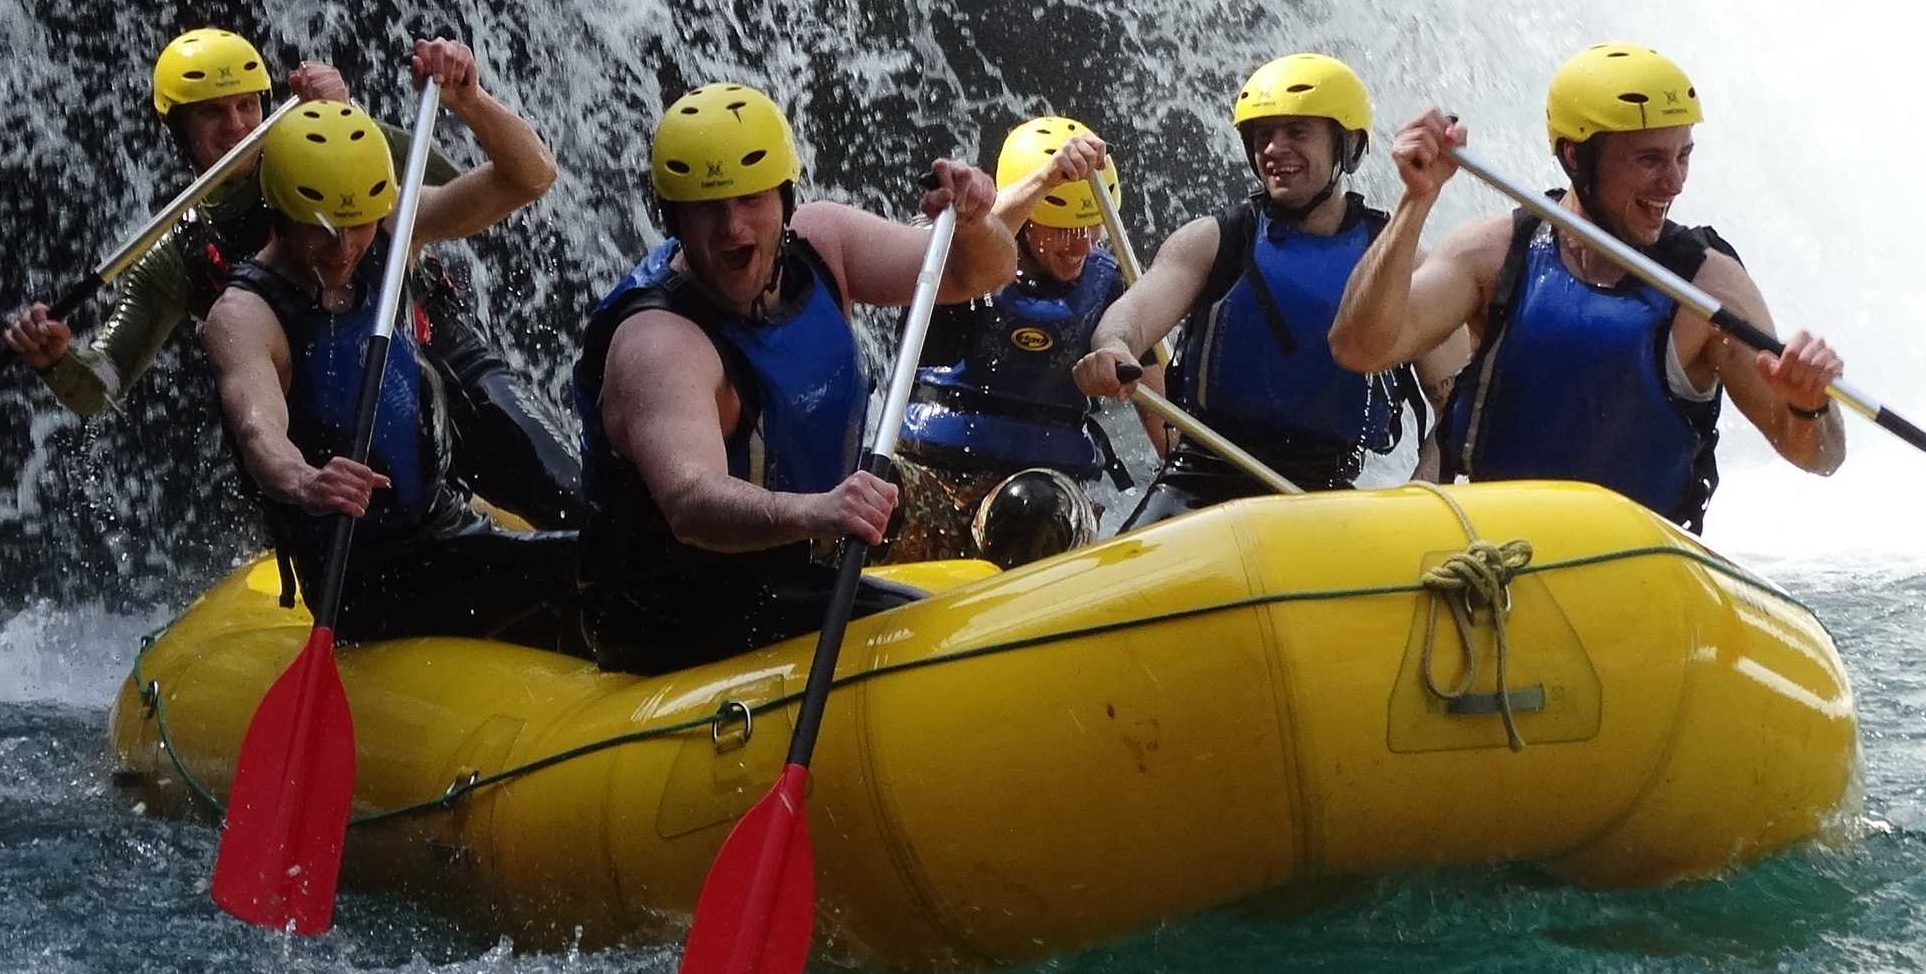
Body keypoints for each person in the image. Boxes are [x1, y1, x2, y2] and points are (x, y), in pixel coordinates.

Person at [4, 25, 581, 525]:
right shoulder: (176, 250)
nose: (235, 126)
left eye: (247, 106)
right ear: (177, 128)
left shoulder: (340, 147)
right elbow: (101, 383)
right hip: (335, 429)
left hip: (443, 366)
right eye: (211, 112)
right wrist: (58, 359)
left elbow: (467, 191)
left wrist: (354, 119)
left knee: (581, 504)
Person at [574, 82, 1016, 674]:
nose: (732, 228)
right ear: (673, 219)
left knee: (1022, 520)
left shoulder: (823, 241)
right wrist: (818, 512)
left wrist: (972, 224)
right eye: (707, 208)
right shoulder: (659, 342)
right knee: (931, 647)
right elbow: (691, 503)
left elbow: (978, 275)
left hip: (803, 549)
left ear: (784, 200)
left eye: (749, 199)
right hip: (675, 605)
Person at [1323, 42, 1846, 534]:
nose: (1674, 181)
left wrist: (1808, 407)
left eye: (1682, 155)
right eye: (1649, 159)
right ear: (1575, 157)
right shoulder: (1493, 254)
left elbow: (1819, 456)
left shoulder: (1710, 288)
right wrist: (1418, 201)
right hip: (1499, 555)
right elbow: (1358, 349)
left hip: (1636, 567)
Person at [196, 42, 584, 647]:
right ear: (280, 211)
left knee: (605, 548)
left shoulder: (390, 228)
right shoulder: (244, 314)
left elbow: (530, 177)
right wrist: (307, 482)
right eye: (323, 232)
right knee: (587, 569)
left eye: (359, 225)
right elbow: (259, 434)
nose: (346, 248)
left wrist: (470, 102)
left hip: (449, 532)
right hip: (366, 577)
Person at [1069, 53, 1428, 524]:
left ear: (1349, 145)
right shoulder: (1214, 240)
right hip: (1200, 481)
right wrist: (1112, 348)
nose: (1274, 148)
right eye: (1263, 136)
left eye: (1297, 132)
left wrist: (1423, 503)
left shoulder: (1398, 260)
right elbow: (1130, 319)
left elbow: (1454, 402)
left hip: (1321, 494)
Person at [889, 113, 1123, 566]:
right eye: (1062, 228)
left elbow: (1159, 401)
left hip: (1041, 497)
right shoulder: (950, 252)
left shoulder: (1108, 285)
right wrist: (1048, 178)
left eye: (1090, 226)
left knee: (1029, 506)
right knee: (871, 494)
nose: (1080, 246)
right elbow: (969, 240)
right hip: (932, 476)